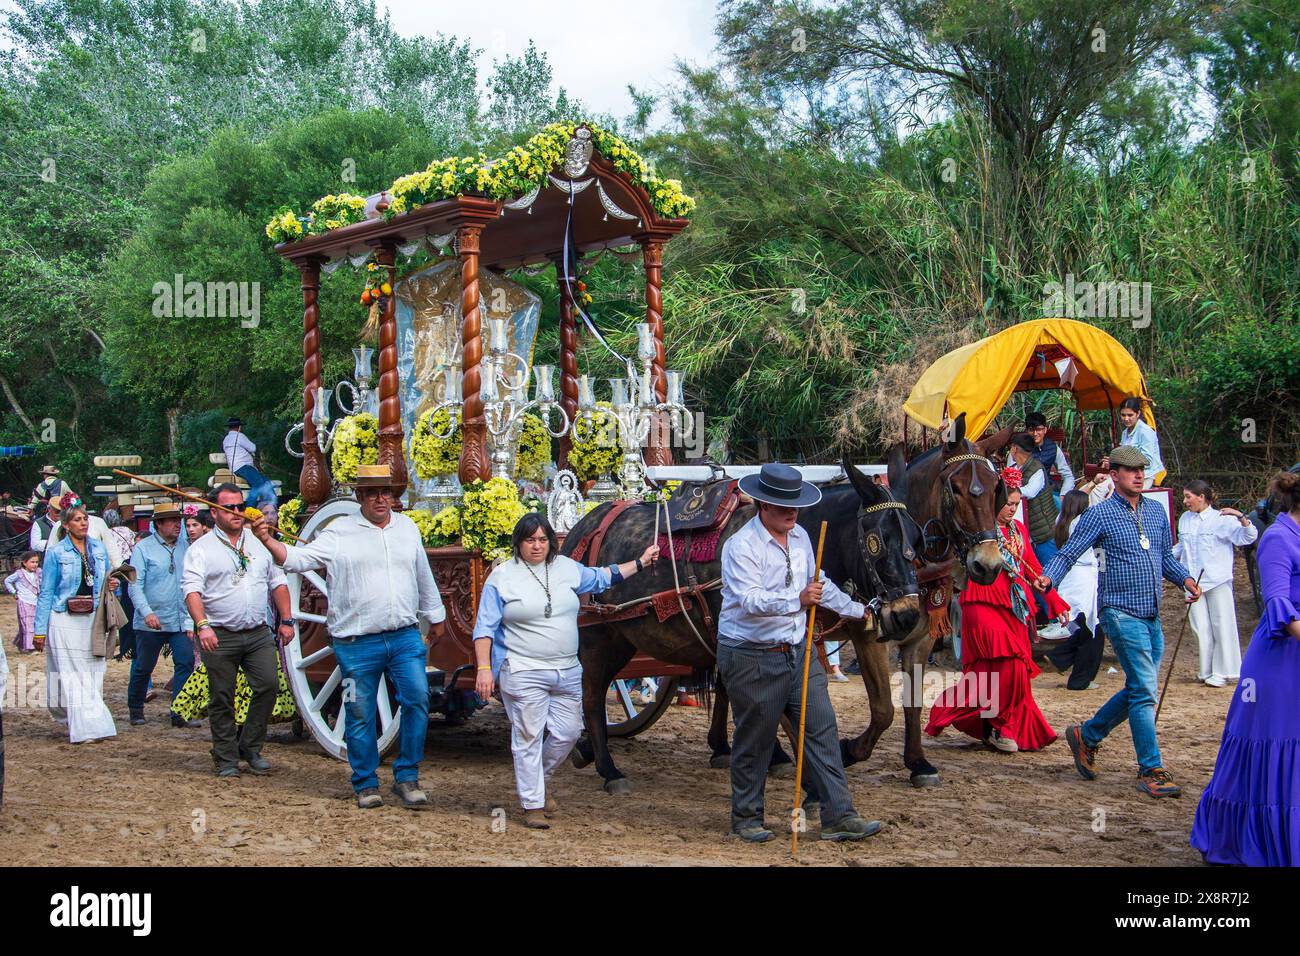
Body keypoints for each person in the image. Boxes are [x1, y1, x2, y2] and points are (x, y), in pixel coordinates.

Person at [253, 463, 448, 810]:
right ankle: (365, 782)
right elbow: (297, 559)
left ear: (393, 495)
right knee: (359, 711)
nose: (380, 500)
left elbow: (422, 573)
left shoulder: (407, 528)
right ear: (359, 497)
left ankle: (407, 775)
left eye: (385, 492)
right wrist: (268, 539)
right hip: (357, 643)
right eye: (371, 493)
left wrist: (436, 614)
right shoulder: (339, 532)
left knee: (418, 699)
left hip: (403, 637)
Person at [716, 462, 882, 843]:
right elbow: (750, 600)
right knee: (755, 737)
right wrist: (798, 599)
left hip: (797, 650)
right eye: (781, 505)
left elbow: (819, 584)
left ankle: (840, 816)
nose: (791, 511)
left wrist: (858, 610)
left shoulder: (803, 537)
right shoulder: (741, 546)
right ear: (763, 506)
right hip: (751, 654)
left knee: (822, 729)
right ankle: (746, 818)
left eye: (794, 504)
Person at [472, 512, 658, 828]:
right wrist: (484, 669)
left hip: (567, 670)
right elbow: (484, 628)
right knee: (529, 735)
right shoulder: (502, 577)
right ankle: (533, 806)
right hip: (522, 669)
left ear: (550, 542)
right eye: (530, 540)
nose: (536, 546)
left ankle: (537, 783)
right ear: (519, 542)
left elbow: (603, 577)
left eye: (542, 539)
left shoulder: (566, 569)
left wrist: (640, 562)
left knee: (568, 732)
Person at [1036, 445, 1201, 798]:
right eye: (1131, 470)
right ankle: (1151, 769)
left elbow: (1163, 559)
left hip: (1152, 615)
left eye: (1142, 469)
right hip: (1119, 612)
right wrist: (1048, 578)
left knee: (1139, 689)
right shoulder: (1099, 515)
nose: (1139, 475)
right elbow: (1067, 552)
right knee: (1144, 692)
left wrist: (1185, 578)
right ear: (1115, 476)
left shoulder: (1157, 513)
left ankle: (1088, 735)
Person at [1190, 471, 1300, 865]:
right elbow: (1278, 605)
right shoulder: (1277, 539)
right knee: (1275, 749)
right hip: (1279, 663)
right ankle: (1257, 839)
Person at [926, 467, 1068, 751]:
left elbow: (1033, 570)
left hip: (1014, 606)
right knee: (1003, 666)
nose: (1012, 510)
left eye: (1016, 505)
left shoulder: (1019, 531)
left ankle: (998, 726)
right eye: (1008, 504)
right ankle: (998, 726)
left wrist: (1053, 601)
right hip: (983, 600)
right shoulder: (977, 533)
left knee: (1011, 672)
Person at [182, 482, 292, 777]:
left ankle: (250, 746)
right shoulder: (201, 549)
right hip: (219, 633)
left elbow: (278, 582)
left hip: (258, 631)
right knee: (221, 696)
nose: (236, 512)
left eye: (240, 506)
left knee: (269, 685)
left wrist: (287, 619)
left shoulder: (259, 541)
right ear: (214, 512)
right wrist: (202, 625)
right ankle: (226, 757)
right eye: (227, 507)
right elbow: (191, 590)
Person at [32, 494, 117, 743]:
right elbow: (46, 592)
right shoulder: (57, 552)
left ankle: (86, 719)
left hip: (92, 615)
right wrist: (39, 630)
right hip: (64, 617)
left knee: (93, 668)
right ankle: (89, 728)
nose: (83, 523)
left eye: (85, 519)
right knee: (72, 670)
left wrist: (111, 584)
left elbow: (104, 582)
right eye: (78, 519)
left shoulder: (98, 548)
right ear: (66, 524)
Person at [1173, 479, 1257, 687]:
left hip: (1217, 579)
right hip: (1192, 581)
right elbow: (1181, 547)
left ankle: (1225, 671)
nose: (1185, 501)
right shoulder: (1185, 519)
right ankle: (1206, 669)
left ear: (1201, 497)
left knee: (1222, 624)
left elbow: (1247, 537)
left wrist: (1241, 517)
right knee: (1199, 627)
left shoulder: (1221, 519)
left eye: (1188, 497)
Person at [127, 501, 199, 728]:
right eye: (172, 521)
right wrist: (146, 612)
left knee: (185, 662)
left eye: (179, 521)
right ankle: (136, 708)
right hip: (152, 620)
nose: (178, 525)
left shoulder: (185, 547)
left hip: (179, 618)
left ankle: (179, 711)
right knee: (144, 666)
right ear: (158, 524)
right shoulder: (143, 548)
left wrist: (190, 619)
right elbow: (134, 585)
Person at [1044, 491, 1106, 690]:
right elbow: (1099, 552)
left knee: (1082, 626)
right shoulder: (1084, 522)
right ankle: (1079, 676)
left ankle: (1061, 658)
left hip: (1072, 576)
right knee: (1093, 629)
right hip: (1087, 577)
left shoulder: (1062, 521)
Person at [1007, 433, 1063, 631]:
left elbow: (1029, 492)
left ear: (1015, 449)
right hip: (1027, 535)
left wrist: (1010, 488)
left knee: (1047, 575)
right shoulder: (1015, 468)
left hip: (1042, 533)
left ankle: (1057, 619)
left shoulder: (1037, 470)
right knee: (1032, 578)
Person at [222, 417, 276, 510]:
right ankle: (250, 509)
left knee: (266, 481)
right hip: (244, 467)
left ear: (229, 428)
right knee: (258, 484)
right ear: (239, 427)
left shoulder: (226, 439)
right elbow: (253, 448)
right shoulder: (240, 436)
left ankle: (270, 506)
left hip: (235, 468)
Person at [1024, 410, 1076, 498]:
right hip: (1025, 494)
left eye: (1039, 429)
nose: (1035, 433)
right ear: (1026, 431)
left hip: (1048, 494)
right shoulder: (1019, 449)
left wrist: (1063, 495)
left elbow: (1068, 476)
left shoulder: (1054, 448)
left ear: (1045, 430)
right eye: (1031, 430)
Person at [1117, 397, 1165, 488]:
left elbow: (1147, 461)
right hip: (1127, 475)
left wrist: (1123, 461)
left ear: (1138, 414)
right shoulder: (1124, 433)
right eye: (1123, 415)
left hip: (1145, 476)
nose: (1126, 419)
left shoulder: (1145, 431)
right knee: (1100, 488)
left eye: (1130, 415)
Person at [5, 550, 42, 653]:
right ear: (24, 563)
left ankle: (20, 642)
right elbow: (7, 581)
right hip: (24, 601)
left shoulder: (38, 572)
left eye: (36, 562)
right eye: (32, 562)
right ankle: (29, 647)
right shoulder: (19, 574)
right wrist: (13, 592)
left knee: (31, 623)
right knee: (27, 623)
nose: (35, 564)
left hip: (35, 601)